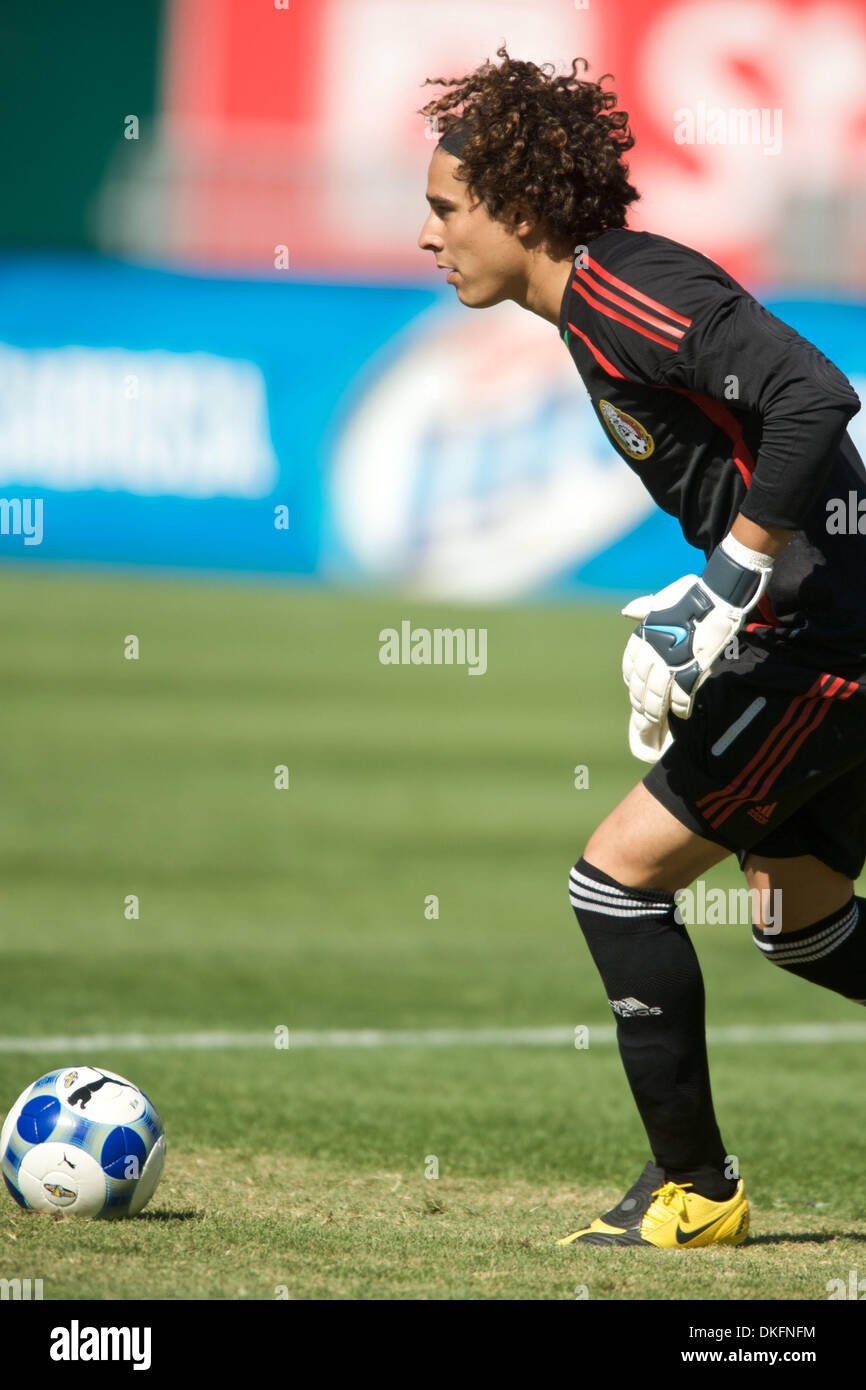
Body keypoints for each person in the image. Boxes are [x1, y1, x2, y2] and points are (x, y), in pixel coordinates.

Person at [417, 46, 866, 1248]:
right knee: (802, 923)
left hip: (824, 638)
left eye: (444, 209)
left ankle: (695, 1192)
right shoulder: (591, 304)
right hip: (820, 622)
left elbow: (815, 394)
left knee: (612, 880)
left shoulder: (624, 286)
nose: (429, 237)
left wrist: (735, 572)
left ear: (517, 210)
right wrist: (719, 573)